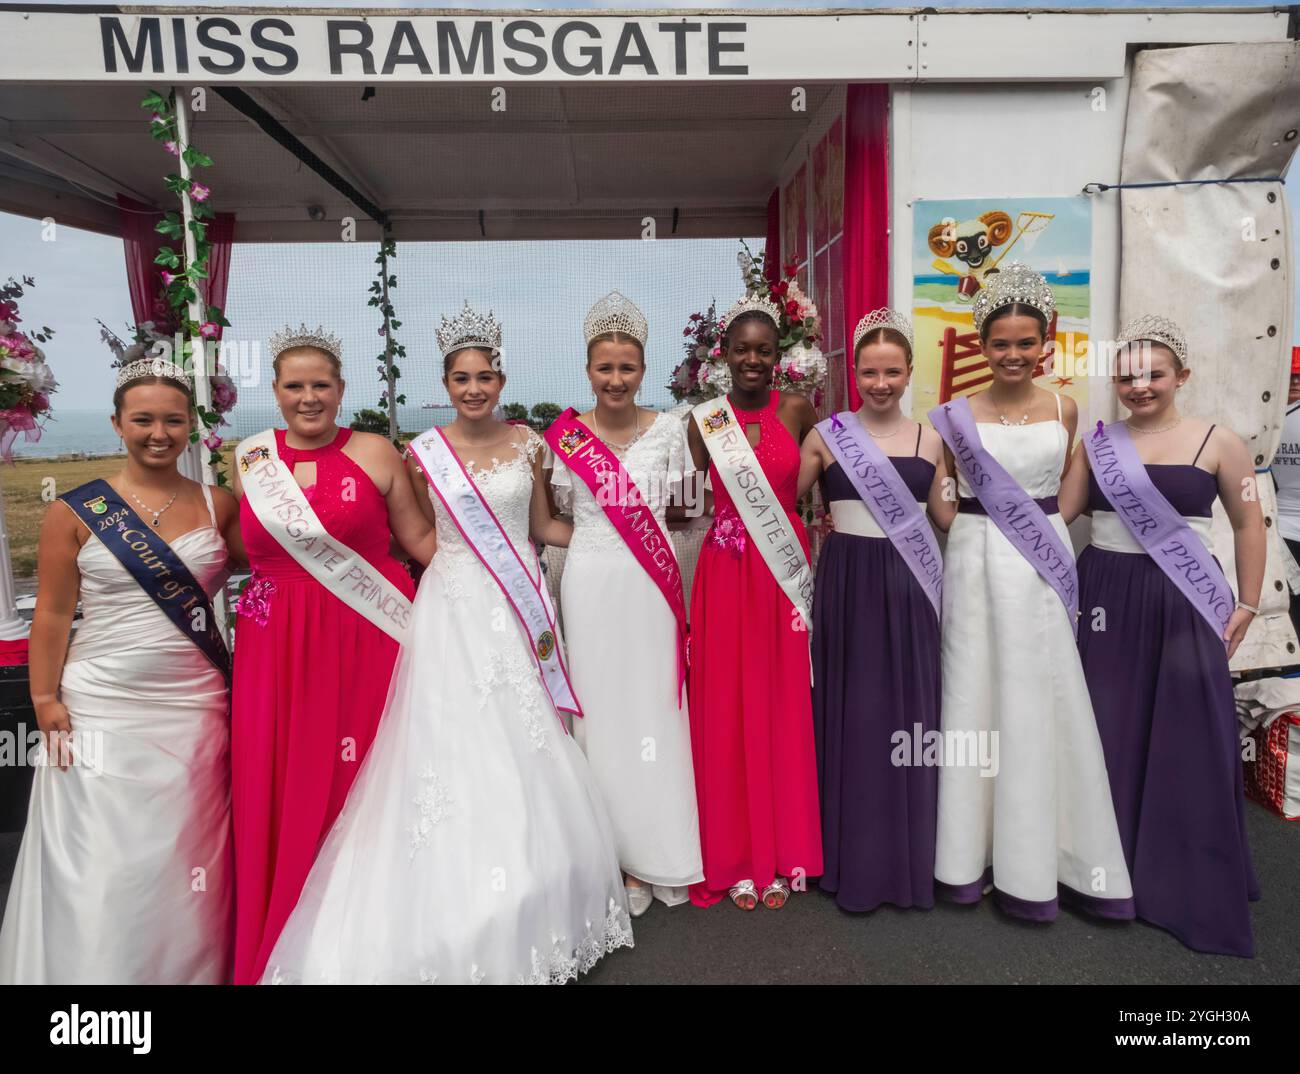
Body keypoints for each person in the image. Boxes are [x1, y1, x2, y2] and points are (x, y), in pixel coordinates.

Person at [261, 303, 632, 984]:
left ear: (501, 379)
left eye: (485, 376)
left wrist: (618, 546)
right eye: (461, 378)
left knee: (525, 739)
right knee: (450, 744)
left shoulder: (530, 445)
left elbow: (545, 526)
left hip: (520, 606)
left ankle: (534, 882)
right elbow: (420, 539)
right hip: (453, 608)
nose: (473, 388)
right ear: (446, 382)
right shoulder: (421, 454)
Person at [0, 358, 241, 983]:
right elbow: (52, 612)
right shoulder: (76, 511)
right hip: (100, 705)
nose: (158, 433)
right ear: (117, 423)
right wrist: (43, 698)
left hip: (195, 707)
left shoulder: (220, 505)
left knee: (184, 856)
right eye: (142, 420)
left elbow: (277, 569)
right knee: (107, 859)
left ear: (191, 425)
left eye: (173, 420)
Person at [928, 262, 1133, 922]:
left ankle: (1043, 855)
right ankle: (967, 859)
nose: (1012, 355)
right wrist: (968, 531)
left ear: (1045, 342)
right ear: (982, 345)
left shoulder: (1064, 407)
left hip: (1038, 561)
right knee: (973, 691)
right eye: (1000, 343)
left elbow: (1071, 486)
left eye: (1026, 343)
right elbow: (942, 488)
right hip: (974, 559)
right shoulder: (955, 416)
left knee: (1038, 691)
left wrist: (1044, 530)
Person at [229, 325, 431, 984]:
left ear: (342, 390)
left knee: (369, 773)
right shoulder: (249, 458)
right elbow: (231, 550)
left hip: (369, 634)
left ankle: (373, 932)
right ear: (277, 391)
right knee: (285, 772)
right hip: (277, 648)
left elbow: (418, 542)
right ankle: (290, 924)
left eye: (322, 384)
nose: (309, 397)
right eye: (295, 385)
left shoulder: (376, 451)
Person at [1059, 314, 1263, 956]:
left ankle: (1183, 877)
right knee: (1105, 727)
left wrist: (1250, 603)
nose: (1138, 386)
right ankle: (1103, 871)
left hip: (1186, 602)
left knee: (1187, 732)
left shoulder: (1221, 442)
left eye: (1153, 374)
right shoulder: (1096, 442)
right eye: (1126, 375)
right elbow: (1059, 512)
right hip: (1106, 596)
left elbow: (1250, 525)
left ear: (1181, 376)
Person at [545, 292, 703, 917]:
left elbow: (691, 511)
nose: (616, 379)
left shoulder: (670, 429)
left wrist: (655, 534)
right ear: (588, 371)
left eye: (627, 368)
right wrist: (595, 539)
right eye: (604, 368)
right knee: (601, 714)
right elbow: (556, 519)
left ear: (643, 370)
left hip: (650, 588)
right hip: (590, 585)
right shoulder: (564, 438)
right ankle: (610, 856)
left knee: (655, 710)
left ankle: (658, 851)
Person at [798, 308, 947, 912]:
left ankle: (904, 857)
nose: (880, 383)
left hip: (909, 584)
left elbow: (947, 519)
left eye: (892, 372)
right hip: (847, 582)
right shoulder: (825, 435)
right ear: (851, 374)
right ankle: (846, 855)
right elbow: (785, 504)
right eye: (868, 373)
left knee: (906, 718)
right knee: (852, 713)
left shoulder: (933, 439)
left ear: (910, 371)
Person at [685, 293, 823, 911]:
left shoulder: (799, 409)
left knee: (781, 695)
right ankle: (738, 855)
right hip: (727, 564)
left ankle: (785, 851)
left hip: (781, 569)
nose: (752, 360)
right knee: (727, 699)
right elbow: (696, 501)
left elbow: (814, 485)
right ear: (725, 354)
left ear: (778, 356)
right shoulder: (702, 420)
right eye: (741, 349)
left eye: (763, 350)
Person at [1271, 346, 1300, 640]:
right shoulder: (1265, 423)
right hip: (1281, 531)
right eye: (1290, 376)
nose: (1294, 382)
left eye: (1299, 375)